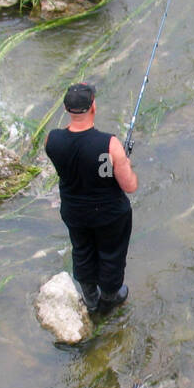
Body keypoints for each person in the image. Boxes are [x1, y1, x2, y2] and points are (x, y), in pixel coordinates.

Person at [44, 83, 139, 313]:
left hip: (74, 213)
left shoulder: (52, 140)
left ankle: (90, 297)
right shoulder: (109, 144)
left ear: (66, 108)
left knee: (82, 250)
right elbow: (130, 185)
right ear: (93, 106)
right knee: (111, 254)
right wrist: (124, 161)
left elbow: (76, 163)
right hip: (109, 215)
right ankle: (110, 296)